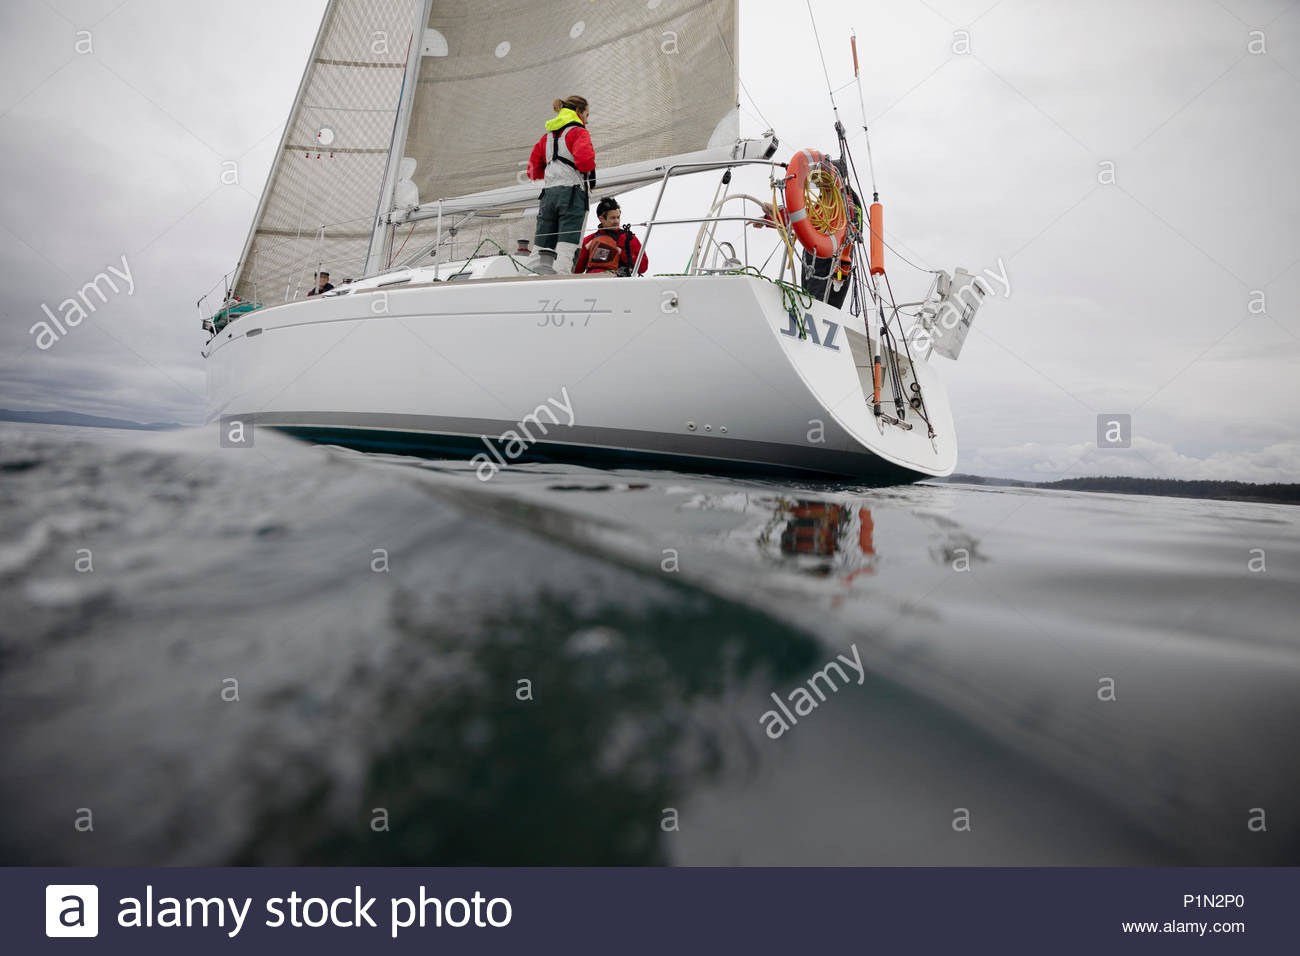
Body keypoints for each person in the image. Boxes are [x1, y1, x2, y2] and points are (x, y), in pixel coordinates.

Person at [526, 96, 596, 274]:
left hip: (548, 197)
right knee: (566, 248)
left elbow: (532, 171)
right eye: (587, 115)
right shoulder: (579, 132)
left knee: (540, 248)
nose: (587, 120)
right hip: (572, 196)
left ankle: (525, 278)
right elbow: (585, 163)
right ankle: (558, 283)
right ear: (579, 112)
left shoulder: (547, 137)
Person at [574, 197, 648, 275]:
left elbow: (643, 267)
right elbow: (576, 270)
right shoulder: (588, 240)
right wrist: (585, 250)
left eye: (618, 217)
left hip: (616, 283)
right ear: (601, 219)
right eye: (612, 218)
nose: (617, 221)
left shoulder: (628, 238)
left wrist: (621, 252)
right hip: (592, 281)